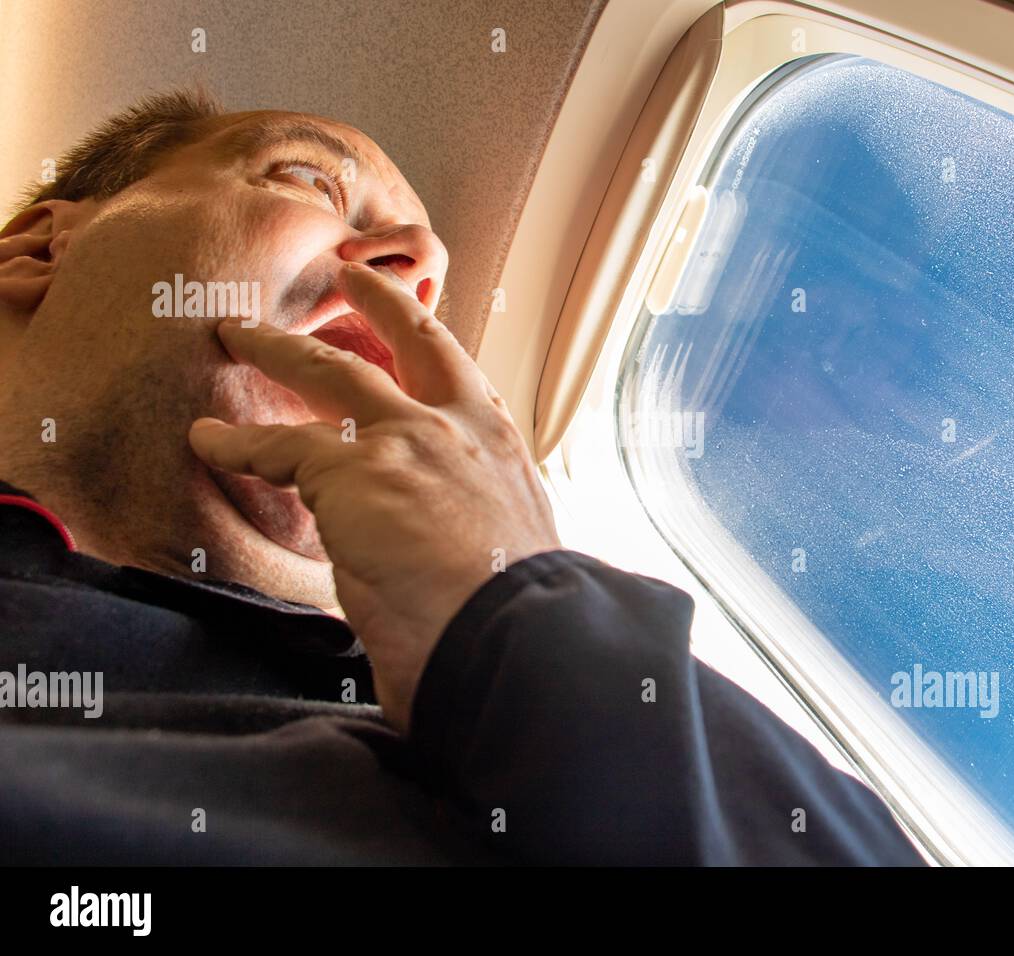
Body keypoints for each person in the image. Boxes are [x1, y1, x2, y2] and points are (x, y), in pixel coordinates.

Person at [0, 88, 922, 865]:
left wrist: (511, 603)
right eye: (311, 180)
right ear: (43, 246)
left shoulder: (481, 727)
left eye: (427, 269)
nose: (422, 265)